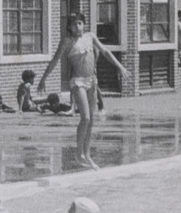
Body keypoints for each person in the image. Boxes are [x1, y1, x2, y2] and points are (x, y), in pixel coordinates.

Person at [39, 11, 130, 170]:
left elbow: (106, 52)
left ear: (84, 24)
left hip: (91, 81)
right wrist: (43, 79)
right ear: (69, 27)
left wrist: (120, 66)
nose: (77, 26)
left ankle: (86, 154)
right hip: (77, 82)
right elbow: (54, 61)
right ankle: (78, 153)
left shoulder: (91, 37)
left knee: (92, 119)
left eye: (80, 23)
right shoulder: (66, 42)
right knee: (85, 117)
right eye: (74, 24)